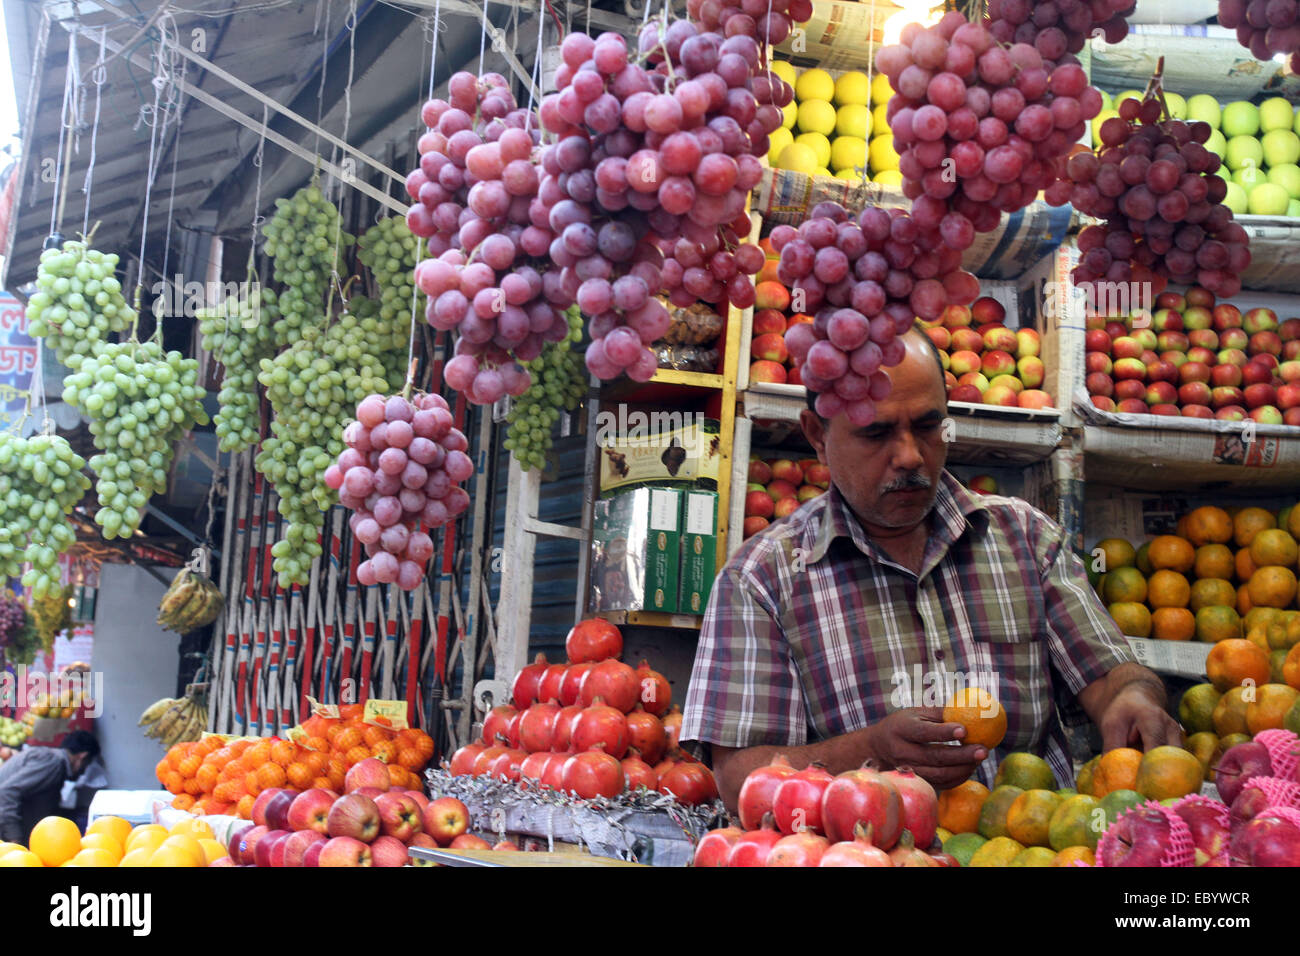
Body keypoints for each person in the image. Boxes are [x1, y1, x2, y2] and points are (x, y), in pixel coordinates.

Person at [681, 324, 1181, 812]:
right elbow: (740, 778)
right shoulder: (762, 579)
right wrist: (872, 750)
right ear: (817, 434)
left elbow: (1110, 676)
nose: (909, 456)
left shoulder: (1024, 537)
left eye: (927, 426)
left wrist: (1133, 698)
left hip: (1029, 848)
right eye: (876, 433)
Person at [0, 730, 100, 843]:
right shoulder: (52, 763)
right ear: (82, 757)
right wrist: (14, 838)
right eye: (87, 764)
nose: (84, 771)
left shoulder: (55, 762)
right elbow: (7, 793)